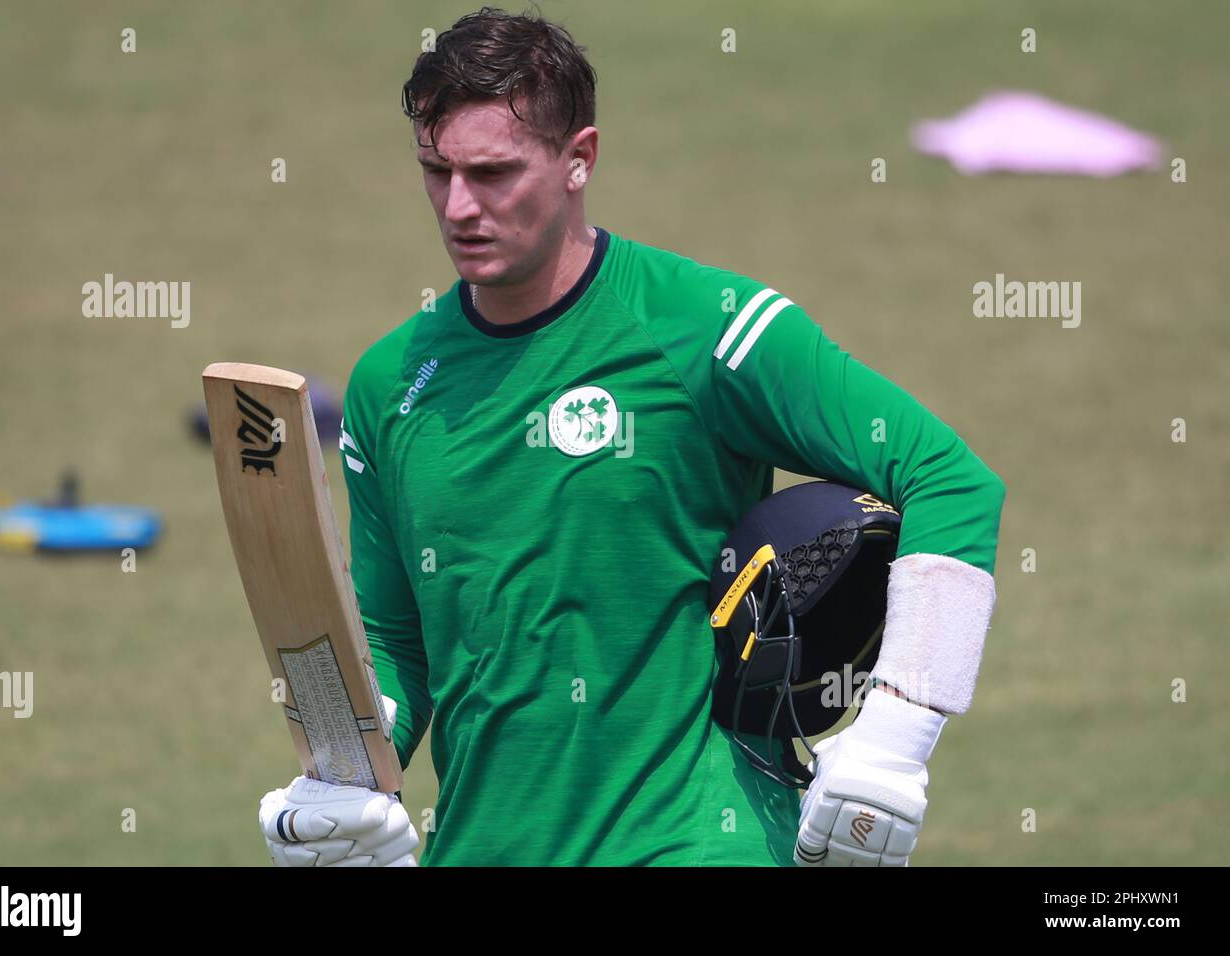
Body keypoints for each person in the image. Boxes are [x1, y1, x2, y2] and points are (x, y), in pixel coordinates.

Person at [258, 7, 1004, 867]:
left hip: (696, 838)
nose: (460, 207)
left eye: (494, 173)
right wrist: (345, 771)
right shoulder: (391, 386)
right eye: (438, 172)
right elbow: (393, 641)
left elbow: (950, 478)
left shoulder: (708, 330)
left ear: (581, 158)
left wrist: (895, 735)